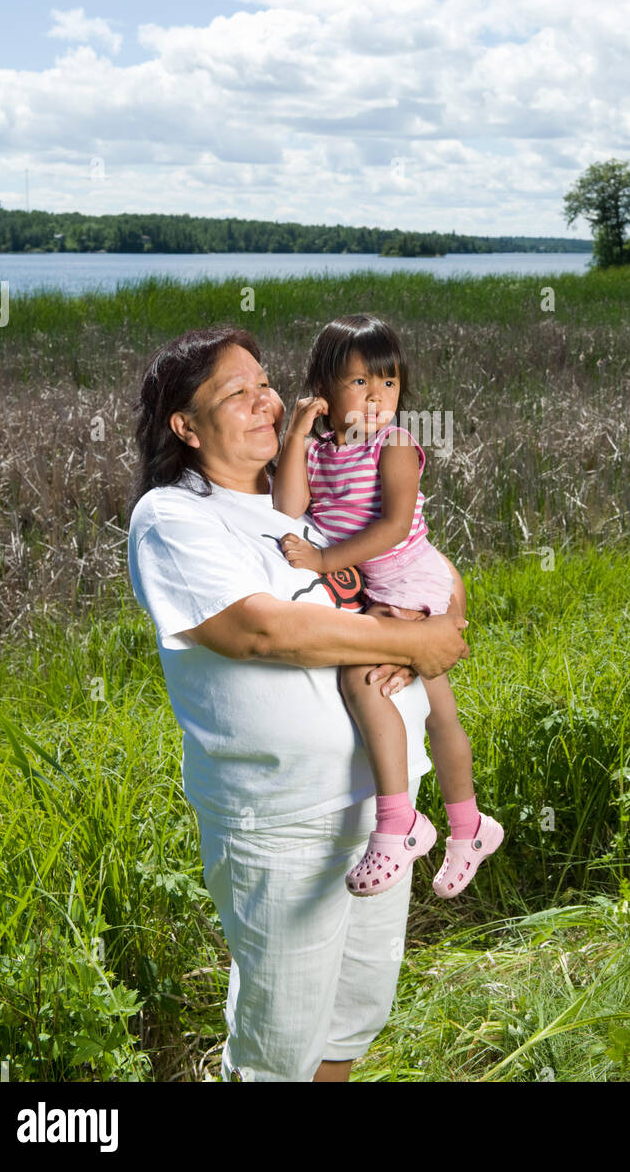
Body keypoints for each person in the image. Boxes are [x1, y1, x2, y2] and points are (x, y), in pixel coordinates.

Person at [127, 324, 470, 1083]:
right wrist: (414, 646)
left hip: (384, 812)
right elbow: (258, 630)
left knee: (349, 1023)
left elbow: (409, 550)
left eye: (265, 384)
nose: (265, 400)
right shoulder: (176, 518)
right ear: (185, 426)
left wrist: (440, 613)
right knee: (280, 1045)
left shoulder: (297, 501)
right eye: (236, 392)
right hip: (284, 819)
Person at [271, 314, 503, 900]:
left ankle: (399, 823)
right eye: (358, 384)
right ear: (322, 389)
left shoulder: (394, 444)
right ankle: (470, 825)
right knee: (437, 710)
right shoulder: (321, 449)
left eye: (389, 384)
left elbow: (398, 526)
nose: (377, 398)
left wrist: (324, 563)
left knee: (363, 676)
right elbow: (289, 506)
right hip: (380, 588)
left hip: (408, 576)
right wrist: (296, 435)